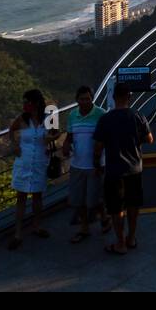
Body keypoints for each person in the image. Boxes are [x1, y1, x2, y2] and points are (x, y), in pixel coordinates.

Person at [92, 85, 153, 255]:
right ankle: (131, 238)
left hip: (114, 170)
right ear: (129, 96)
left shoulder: (106, 119)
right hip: (135, 169)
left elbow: (98, 147)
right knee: (133, 204)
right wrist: (135, 141)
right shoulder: (137, 116)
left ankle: (120, 243)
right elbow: (150, 138)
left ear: (113, 97)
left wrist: (97, 165)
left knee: (115, 208)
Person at [8, 88, 55, 250]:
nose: (25, 105)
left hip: (40, 161)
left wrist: (50, 139)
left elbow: (56, 133)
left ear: (35, 103)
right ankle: (18, 233)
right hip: (24, 161)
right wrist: (15, 145)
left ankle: (37, 226)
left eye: (27, 102)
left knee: (37, 196)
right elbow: (11, 130)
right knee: (21, 197)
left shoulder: (47, 118)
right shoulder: (22, 119)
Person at [63, 85, 108, 244]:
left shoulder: (101, 114)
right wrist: (66, 145)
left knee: (93, 199)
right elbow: (69, 136)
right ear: (77, 100)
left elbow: (105, 139)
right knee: (79, 199)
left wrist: (100, 161)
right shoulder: (72, 115)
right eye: (82, 99)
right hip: (77, 165)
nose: (85, 102)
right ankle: (84, 228)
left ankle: (103, 216)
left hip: (95, 165)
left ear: (92, 98)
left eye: (88, 98)